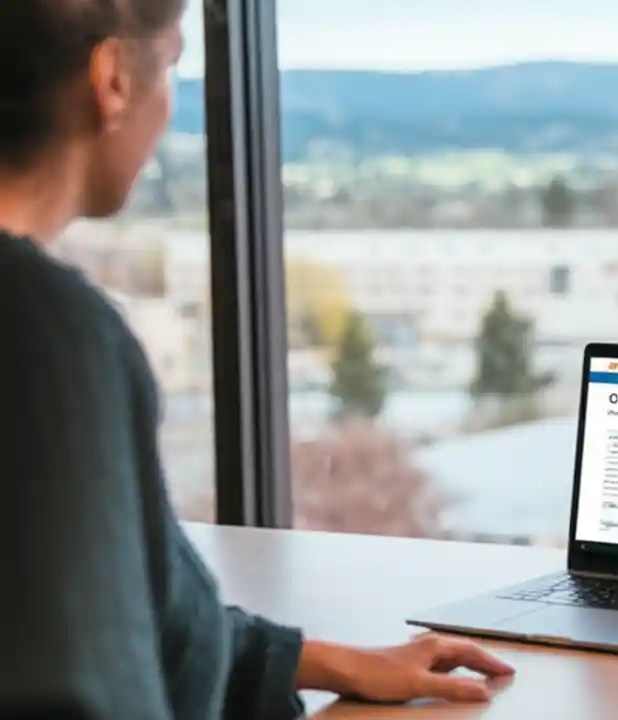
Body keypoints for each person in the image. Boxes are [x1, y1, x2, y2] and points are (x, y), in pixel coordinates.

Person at [0, 2, 513, 718]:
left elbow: (150, 619)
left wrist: (337, 663)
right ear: (111, 77)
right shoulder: (45, 335)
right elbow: (85, 693)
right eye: (176, 61)